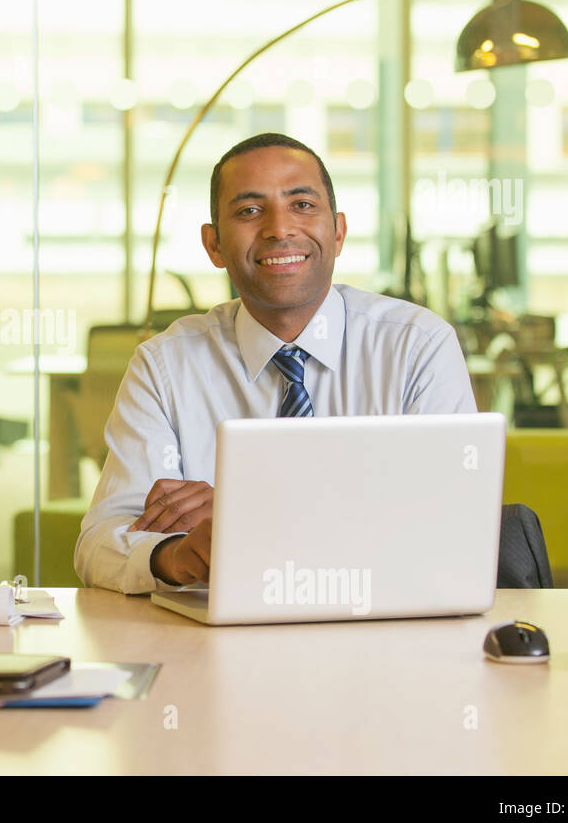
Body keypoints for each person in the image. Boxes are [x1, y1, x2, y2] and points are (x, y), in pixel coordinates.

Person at [75, 132, 477, 594]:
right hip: (217, 639)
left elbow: (453, 525)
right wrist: (173, 556)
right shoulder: (165, 365)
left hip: (380, 623)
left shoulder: (416, 347)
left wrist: (249, 511)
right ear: (214, 246)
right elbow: (100, 544)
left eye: (302, 205)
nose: (279, 229)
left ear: (339, 231)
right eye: (249, 211)